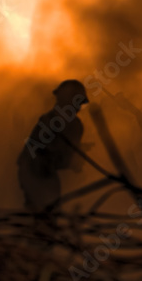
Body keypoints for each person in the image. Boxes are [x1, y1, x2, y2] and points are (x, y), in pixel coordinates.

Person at [16, 79, 89, 216]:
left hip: (43, 174)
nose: (78, 109)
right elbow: (42, 154)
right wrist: (74, 159)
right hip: (36, 174)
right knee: (43, 215)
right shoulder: (51, 122)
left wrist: (76, 157)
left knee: (48, 215)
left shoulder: (73, 125)